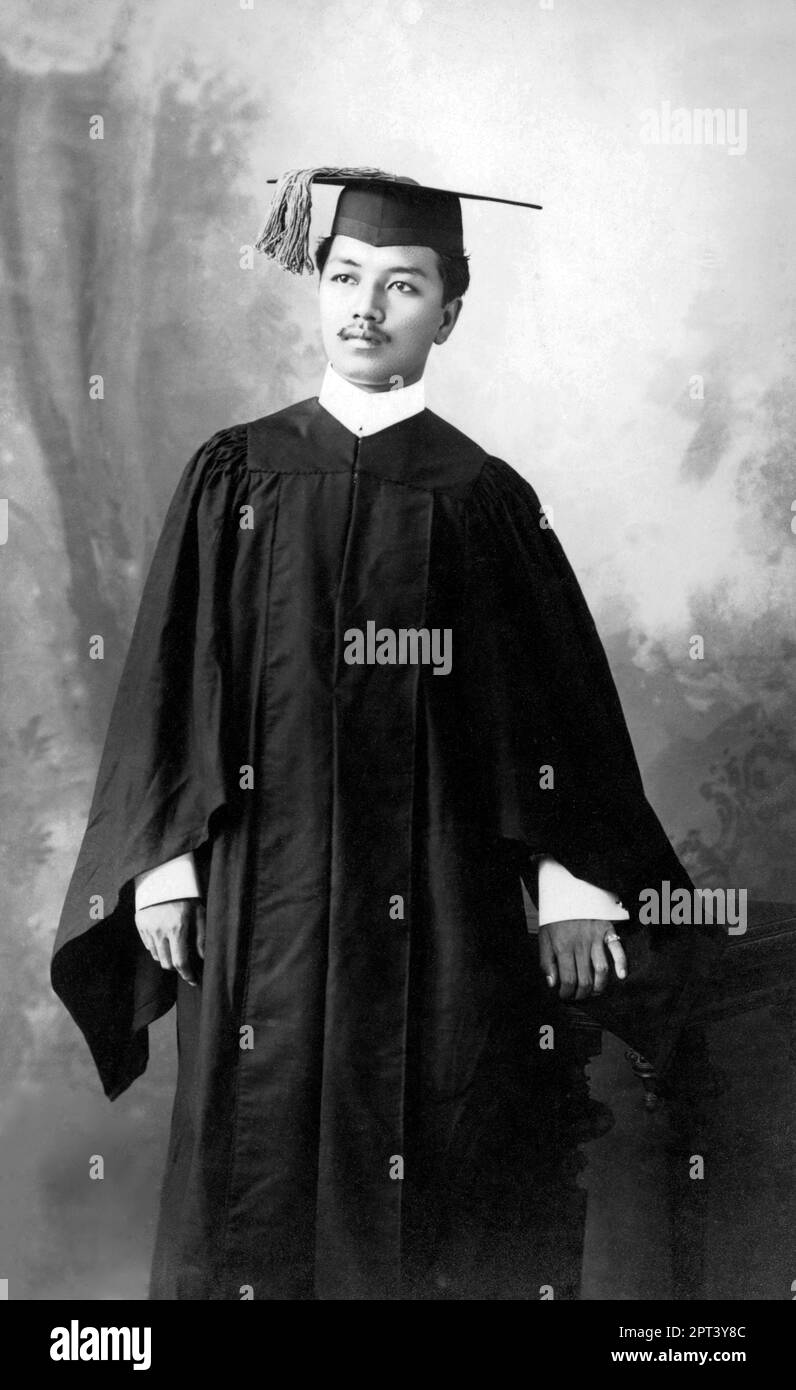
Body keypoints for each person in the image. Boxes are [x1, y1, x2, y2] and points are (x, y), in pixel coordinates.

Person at [52, 167, 717, 1300]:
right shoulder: (235, 475)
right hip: (260, 897)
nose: (365, 306)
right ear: (316, 284)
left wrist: (566, 886)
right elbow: (166, 681)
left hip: (444, 907)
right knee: (248, 1186)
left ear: (448, 313)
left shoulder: (482, 498)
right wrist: (159, 865)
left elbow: (553, 713)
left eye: (402, 285)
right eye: (345, 275)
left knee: (444, 1169)